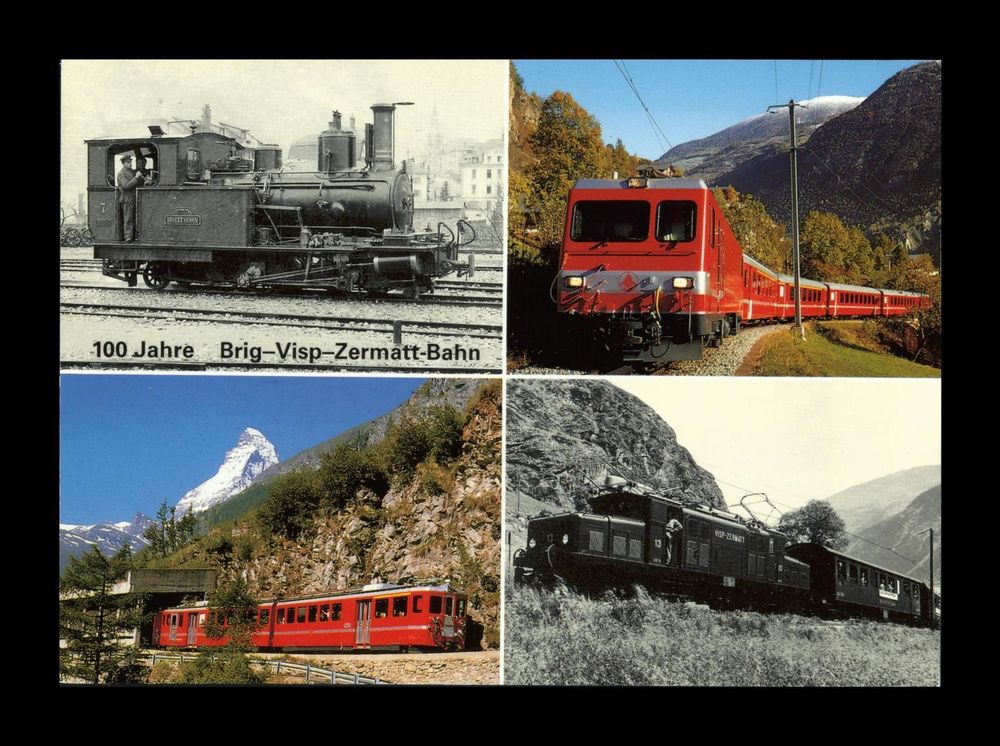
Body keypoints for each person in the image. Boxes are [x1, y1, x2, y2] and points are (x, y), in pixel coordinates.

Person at [116, 153, 145, 241]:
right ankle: (128, 237)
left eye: (130, 162)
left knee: (132, 217)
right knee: (128, 218)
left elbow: (136, 183)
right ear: (124, 163)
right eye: (128, 162)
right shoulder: (121, 174)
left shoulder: (131, 172)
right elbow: (126, 185)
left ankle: (132, 236)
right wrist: (136, 177)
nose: (130, 164)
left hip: (133, 198)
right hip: (126, 199)